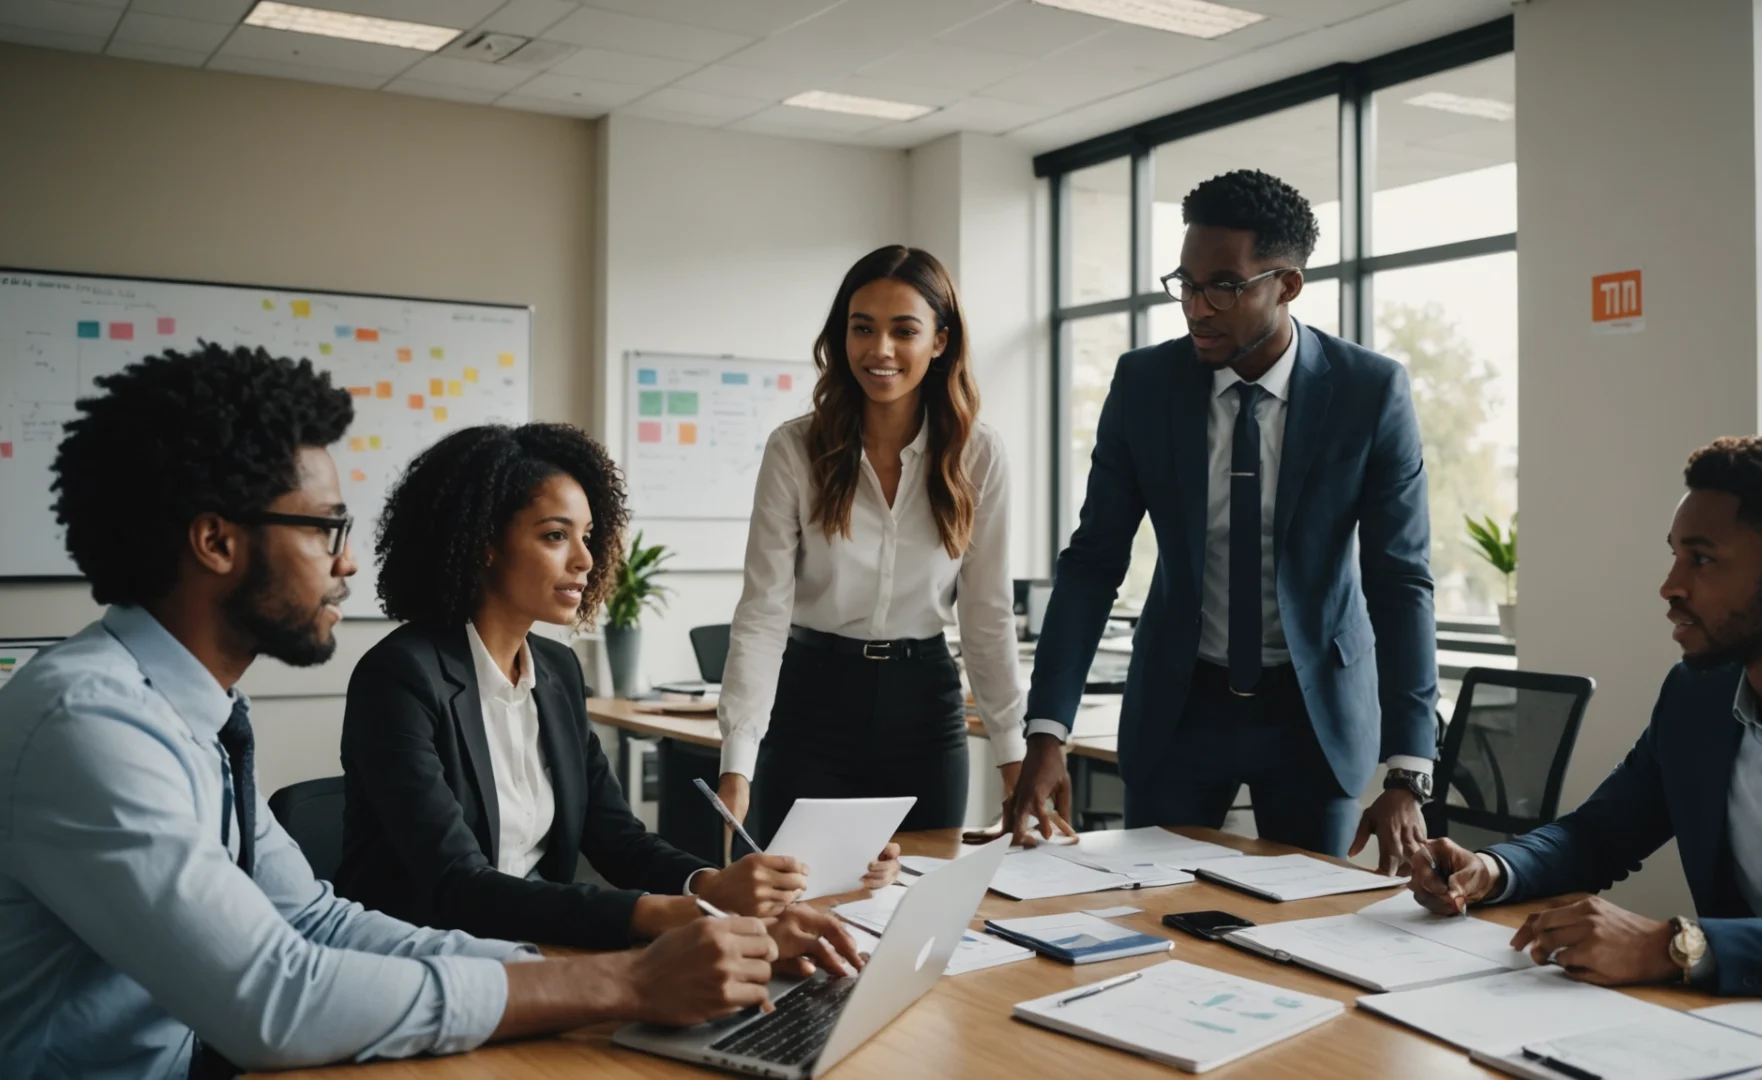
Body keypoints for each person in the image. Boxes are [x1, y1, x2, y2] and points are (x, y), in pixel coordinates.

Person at [0, 344, 850, 1079]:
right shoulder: (90, 725)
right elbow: (274, 998)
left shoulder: (197, 712)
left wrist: (657, 956)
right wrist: (625, 980)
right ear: (218, 542)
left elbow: (315, 919)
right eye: (326, 529)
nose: (346, 564)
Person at [1005, 169, 1438, 867]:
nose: (1197, 308)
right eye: (1186, 283)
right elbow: (1092, 563)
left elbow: (1401, 580)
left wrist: (1408, 767)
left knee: (1305, 930)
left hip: (1312, 711)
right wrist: (1046, 730)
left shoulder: (1368, 392)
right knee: (1147, 910)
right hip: (1181, 706)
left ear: (1287, 284)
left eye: (1224, 286)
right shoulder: (1145, 386)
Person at [336, 423, 874, 950]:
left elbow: (615, 836)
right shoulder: (400, 677)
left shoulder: (557, 671)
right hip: (427, 957)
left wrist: (712, 886)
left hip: (540, 945)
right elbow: (457, 883)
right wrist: (679, 914)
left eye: (586, 536)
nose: (586, 561)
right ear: (484, 544)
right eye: (555, 536)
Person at [1411, 434, 1762, 1004]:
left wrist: (1680, 946)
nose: (1670, 586)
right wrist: (1493, 868)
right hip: (1734, 1030)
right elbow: (1599, 834)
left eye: (1703, 559)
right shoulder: (1698, 696)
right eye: (1675, 555)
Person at [715, 245, 1028, 848]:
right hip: (810, 702)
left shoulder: (977, 455)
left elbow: (987, 613)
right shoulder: (795, 450)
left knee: (920, 894)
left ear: (940, 341)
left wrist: (1013, 759)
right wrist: (738, 760)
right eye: (862, 329)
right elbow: (763, 612)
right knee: (801, 901)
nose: (879, 350)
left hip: (924, 705)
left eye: (903, 330)